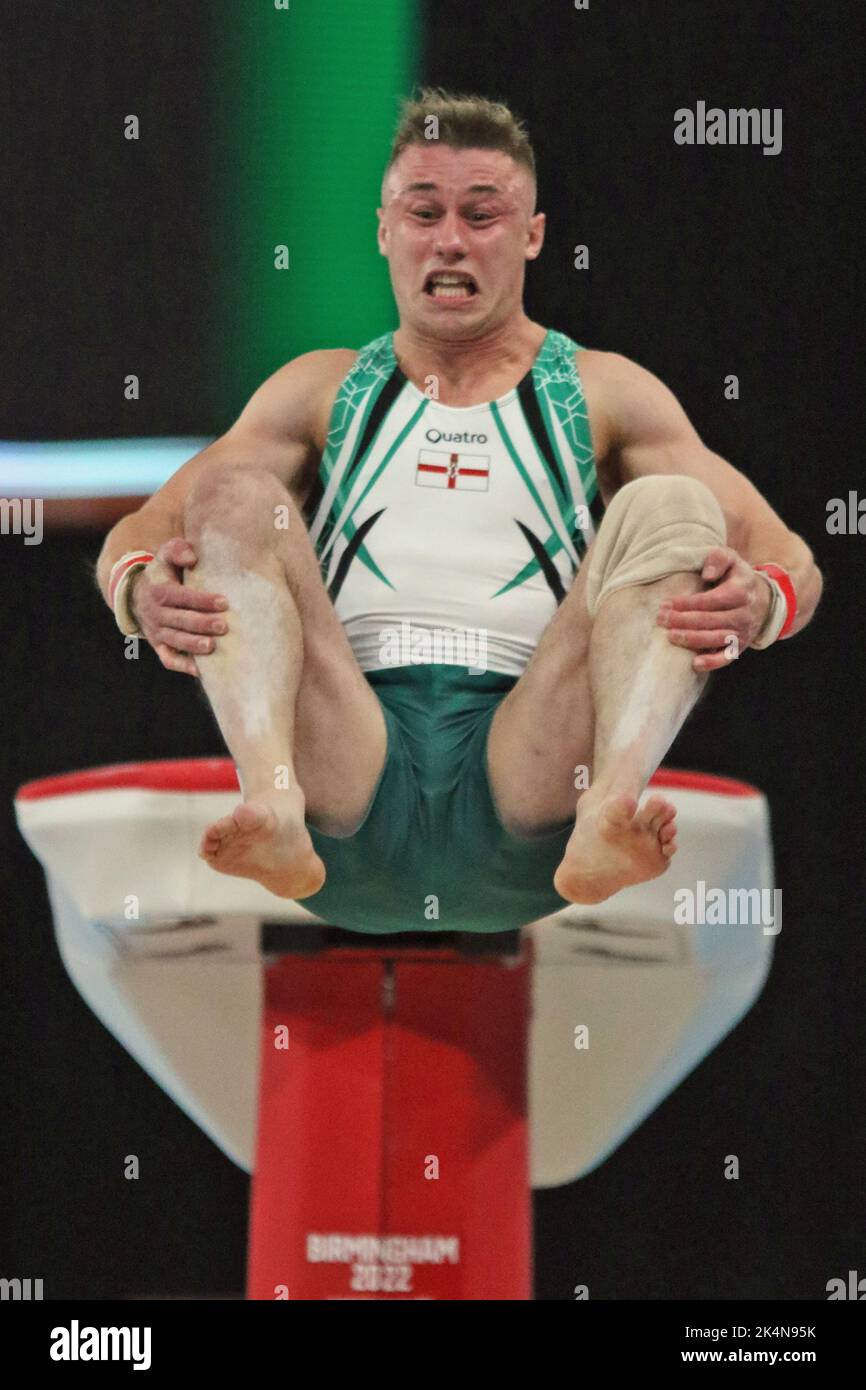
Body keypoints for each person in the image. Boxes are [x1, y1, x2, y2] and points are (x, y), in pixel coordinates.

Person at [96, 89, 822, 936]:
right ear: (383, 230)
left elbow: (785, 549)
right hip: (345, 785)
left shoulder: (603, 392)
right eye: (424, 211)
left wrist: (764, 601)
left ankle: (610, 808)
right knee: (228, 496)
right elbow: (141, 529)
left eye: (483, 215)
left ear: (533, 236)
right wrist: (137, 588)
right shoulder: (319, 390)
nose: (450, 239)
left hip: (535, 783)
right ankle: (273, 802)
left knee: (674, 505)